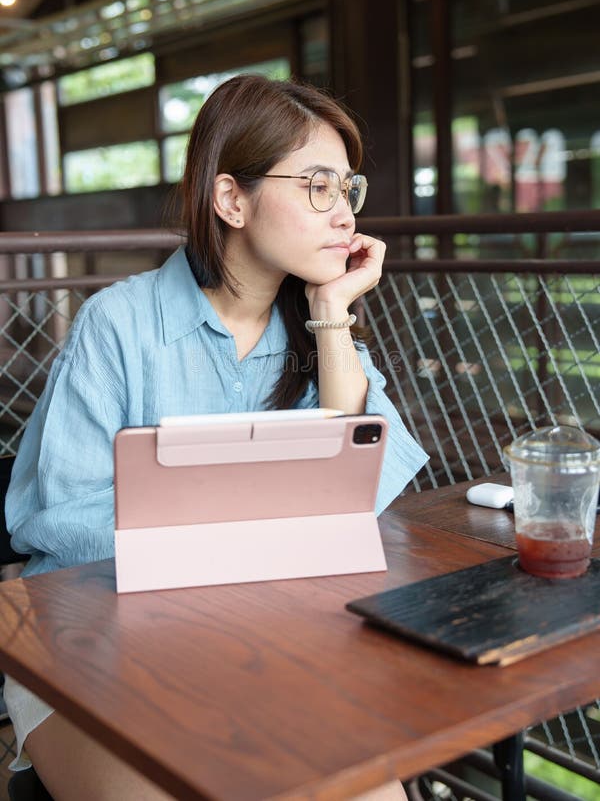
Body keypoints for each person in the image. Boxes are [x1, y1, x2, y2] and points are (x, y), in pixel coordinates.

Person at [4, 74, 427, 800]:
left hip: (260, 637)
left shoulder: (310, 328)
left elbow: (366, 483)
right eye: (317, 185)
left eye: (347, 189)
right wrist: (244, 536)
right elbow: (58, 524)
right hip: (79, 645)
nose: (344, 214)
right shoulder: (120, 325)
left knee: (375, 791)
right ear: (231, 199)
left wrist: (331, 310)